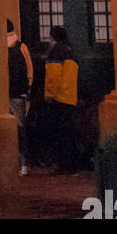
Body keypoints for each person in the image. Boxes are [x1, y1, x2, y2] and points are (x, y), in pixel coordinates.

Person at [44, 25, 79, 173]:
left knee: (59, 135)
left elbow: (53, 77)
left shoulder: (55, 53)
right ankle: (71, 166)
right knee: (69, 134)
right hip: (71, 97)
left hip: (59, 99)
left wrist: (49, 95)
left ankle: (61, 166)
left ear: (53, 37)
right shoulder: (71, 52)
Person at [6, 19, 32, 176]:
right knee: (20, 128)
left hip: (3, 92)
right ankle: (24, 163)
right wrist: (28, 89)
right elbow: (30, 71)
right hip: (19, 92)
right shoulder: (22, 46)